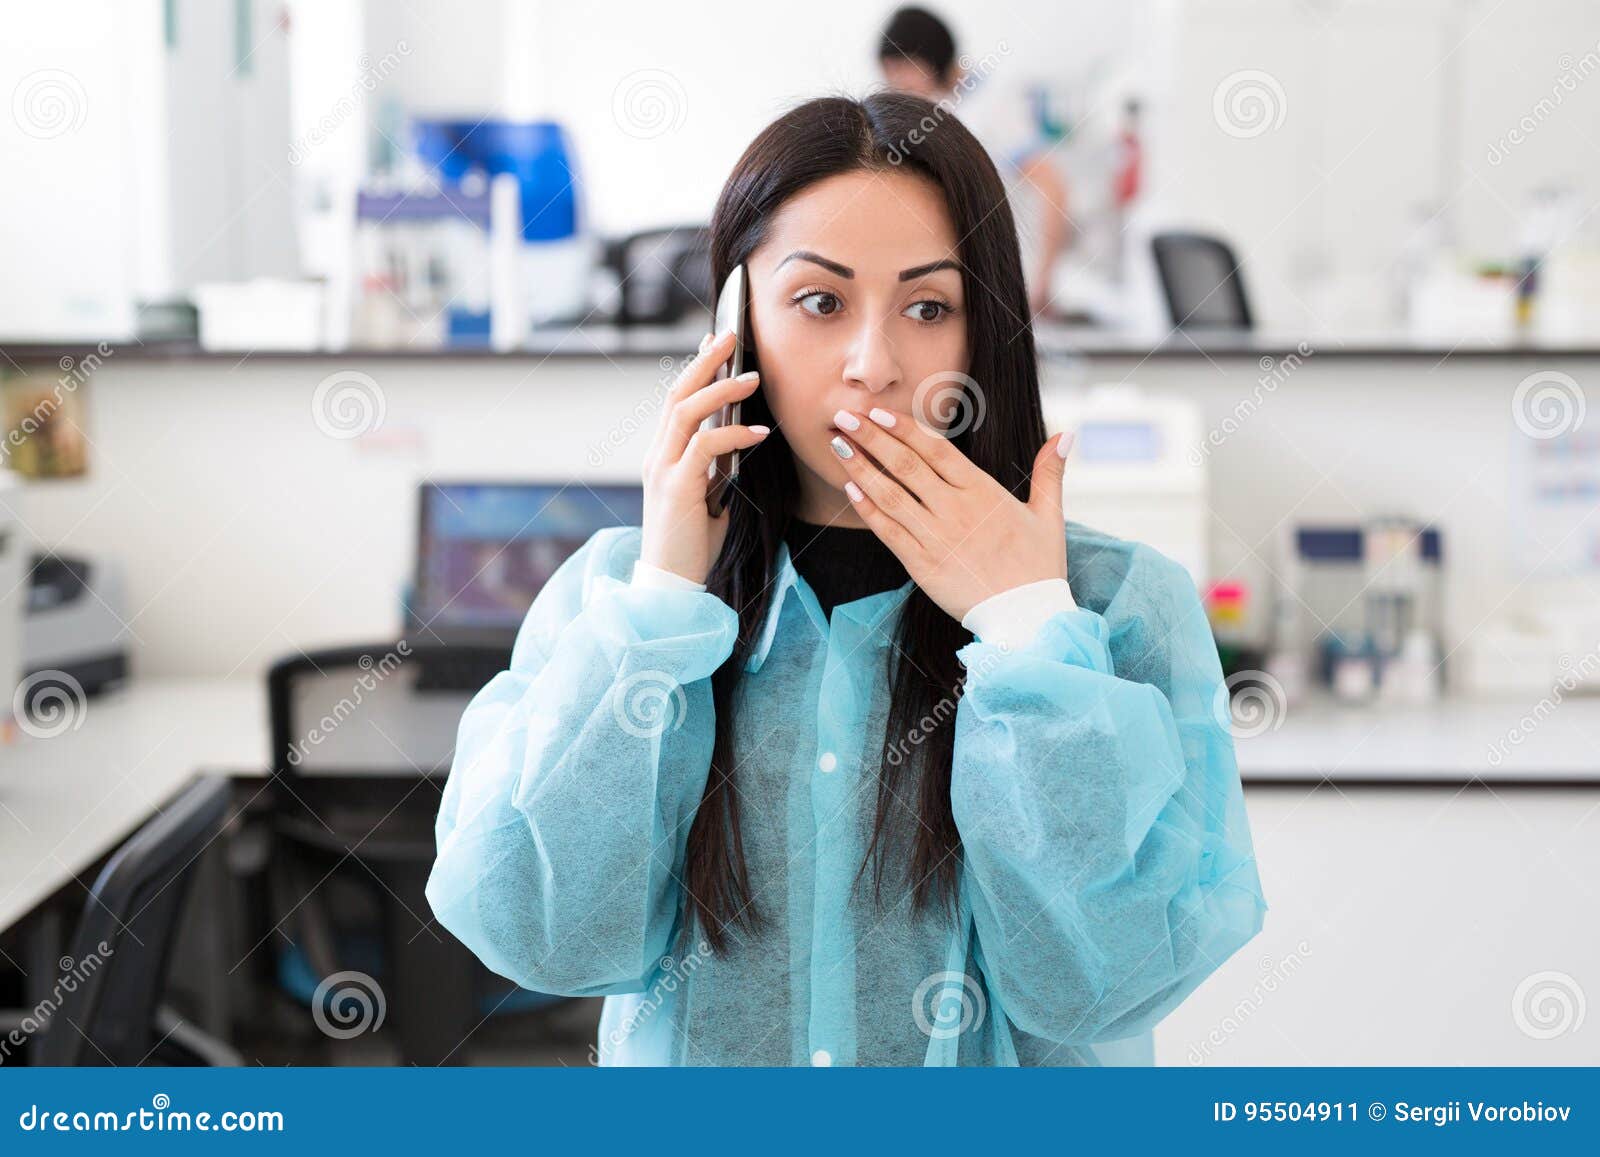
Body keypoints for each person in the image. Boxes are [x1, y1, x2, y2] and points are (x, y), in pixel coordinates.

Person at [425, 92, 1266, 1066]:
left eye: (927, 306)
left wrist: (1029, 629)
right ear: (735, 318)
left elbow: (1104, 986)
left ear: (982, 328)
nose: (872, 364)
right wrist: (661, 603)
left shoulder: (1116, 606)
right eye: (819, 302)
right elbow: (541, 941)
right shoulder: (620, 602)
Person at [877, 5, 1071, 318]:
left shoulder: (994, 104)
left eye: (901, 69)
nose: (898, 83)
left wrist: (1043, 278)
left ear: (929, 57)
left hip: (1018, 275)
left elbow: (1052, 185)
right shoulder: (944, 109)